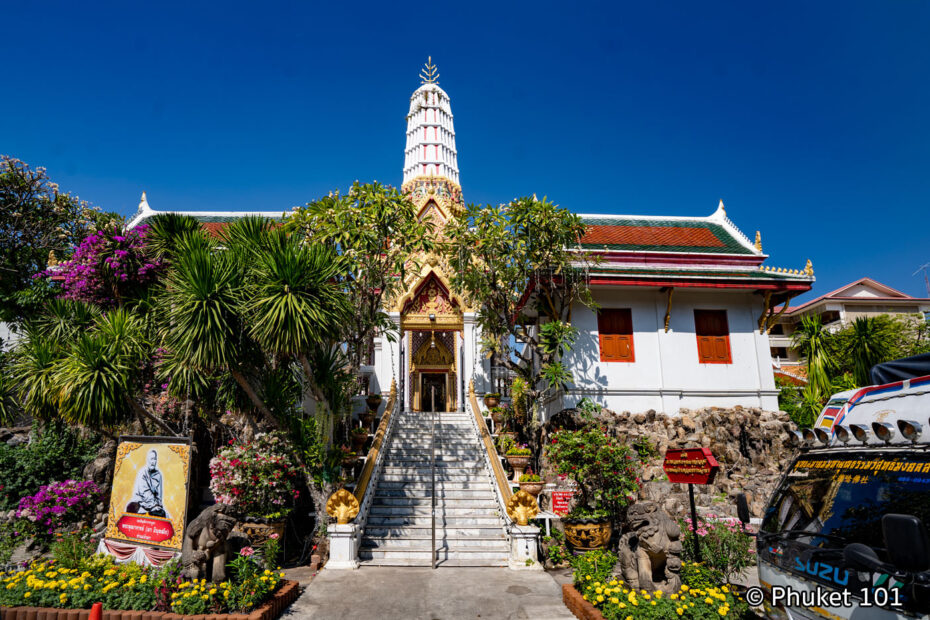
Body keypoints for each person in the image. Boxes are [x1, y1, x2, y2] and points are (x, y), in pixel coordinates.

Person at [126, 449, 169, 518]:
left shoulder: (158, 475)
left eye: (154, 459)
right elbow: (145, 492)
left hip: (154, 506)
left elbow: (159, 495)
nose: (153, 462)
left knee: (162, 514)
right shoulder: (142, 472)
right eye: (151, 459)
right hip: (140, 503)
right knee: (131, 508)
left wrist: (158, 506)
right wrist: (154, 506)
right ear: (147, 460)